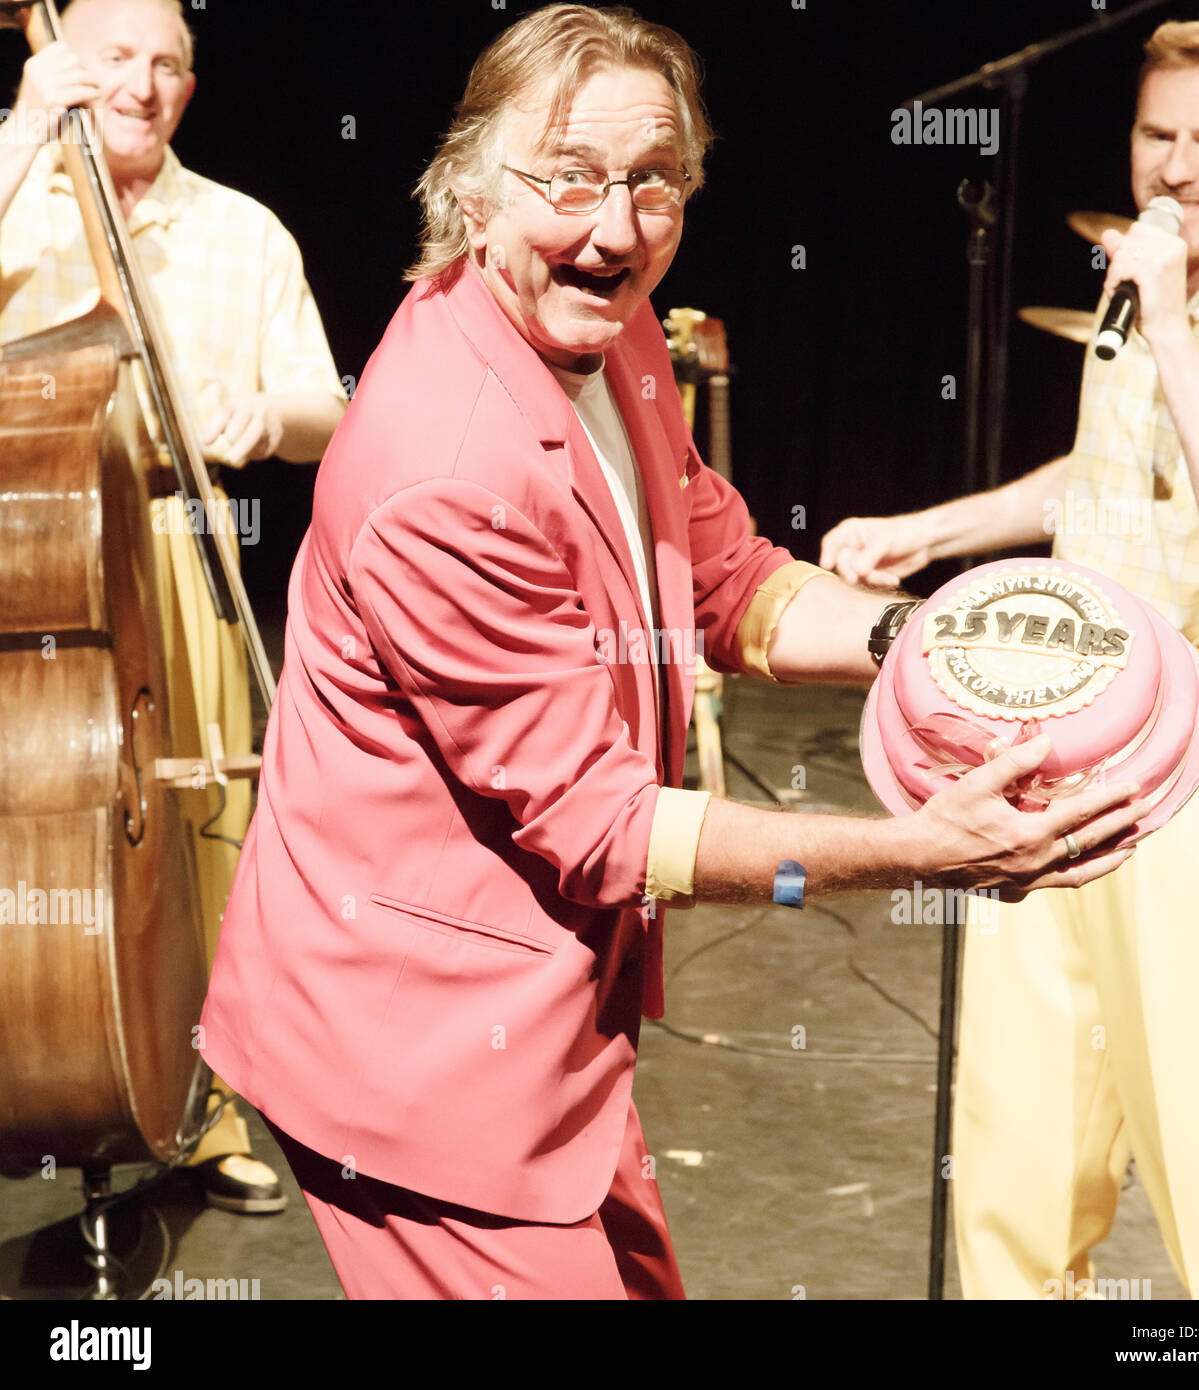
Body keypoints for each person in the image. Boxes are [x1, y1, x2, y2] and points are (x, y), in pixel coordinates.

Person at [198, 3, 1142, 1300]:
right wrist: (914, 852)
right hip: (412, 1048)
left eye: (654, 180)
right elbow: (601, 826)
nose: (615, 224)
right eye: (569, 177)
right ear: (474, 191)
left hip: (547, 1021)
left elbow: (725, 577)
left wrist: (939, 643)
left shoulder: (616, 328)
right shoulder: (444, 464)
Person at [822, 19, 1199, 1300]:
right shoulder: (1138, 282)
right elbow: (1097, 479)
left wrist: (1175, 326)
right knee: (1018, 1144)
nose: (1177, 168)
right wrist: (931, 529)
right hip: (1071, 730)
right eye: (1157, 136)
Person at [0, 0, 348, 1213]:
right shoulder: (10, 186)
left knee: (203, 842)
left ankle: (199, 1105)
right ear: (58, 60)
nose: (139, 86)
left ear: (190, 89)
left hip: (174, 553)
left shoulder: (240, 229)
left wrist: (274, 419)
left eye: (166, 66)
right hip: (19, 557)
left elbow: (324, 408)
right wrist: (23, 136)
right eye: (112, 60)